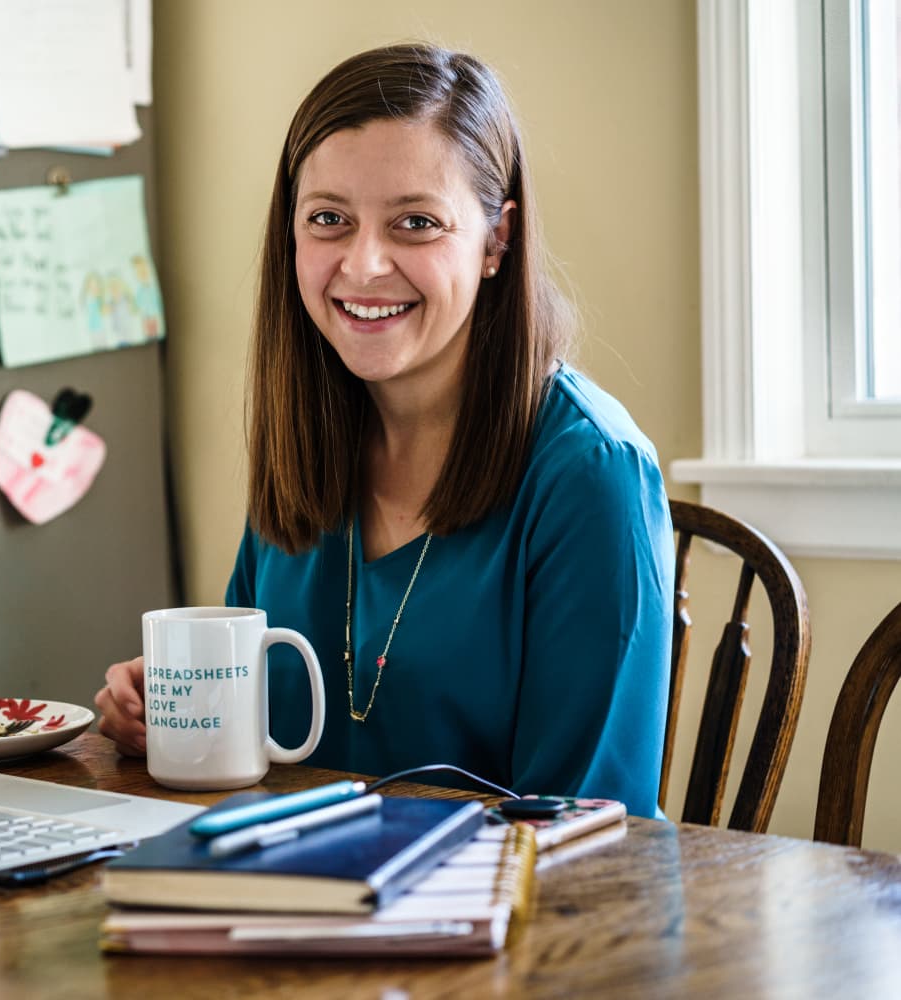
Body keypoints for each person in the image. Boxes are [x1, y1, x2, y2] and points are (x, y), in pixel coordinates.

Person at [94, 43, 673, 818]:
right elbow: (259, 747)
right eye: (329, 219)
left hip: (508, 926)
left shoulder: (593, 475)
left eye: (416, 223)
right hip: (297, 909)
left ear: (496, 240)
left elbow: (586, 833)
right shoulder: (309, 434)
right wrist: (172, 721)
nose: (363, 265)